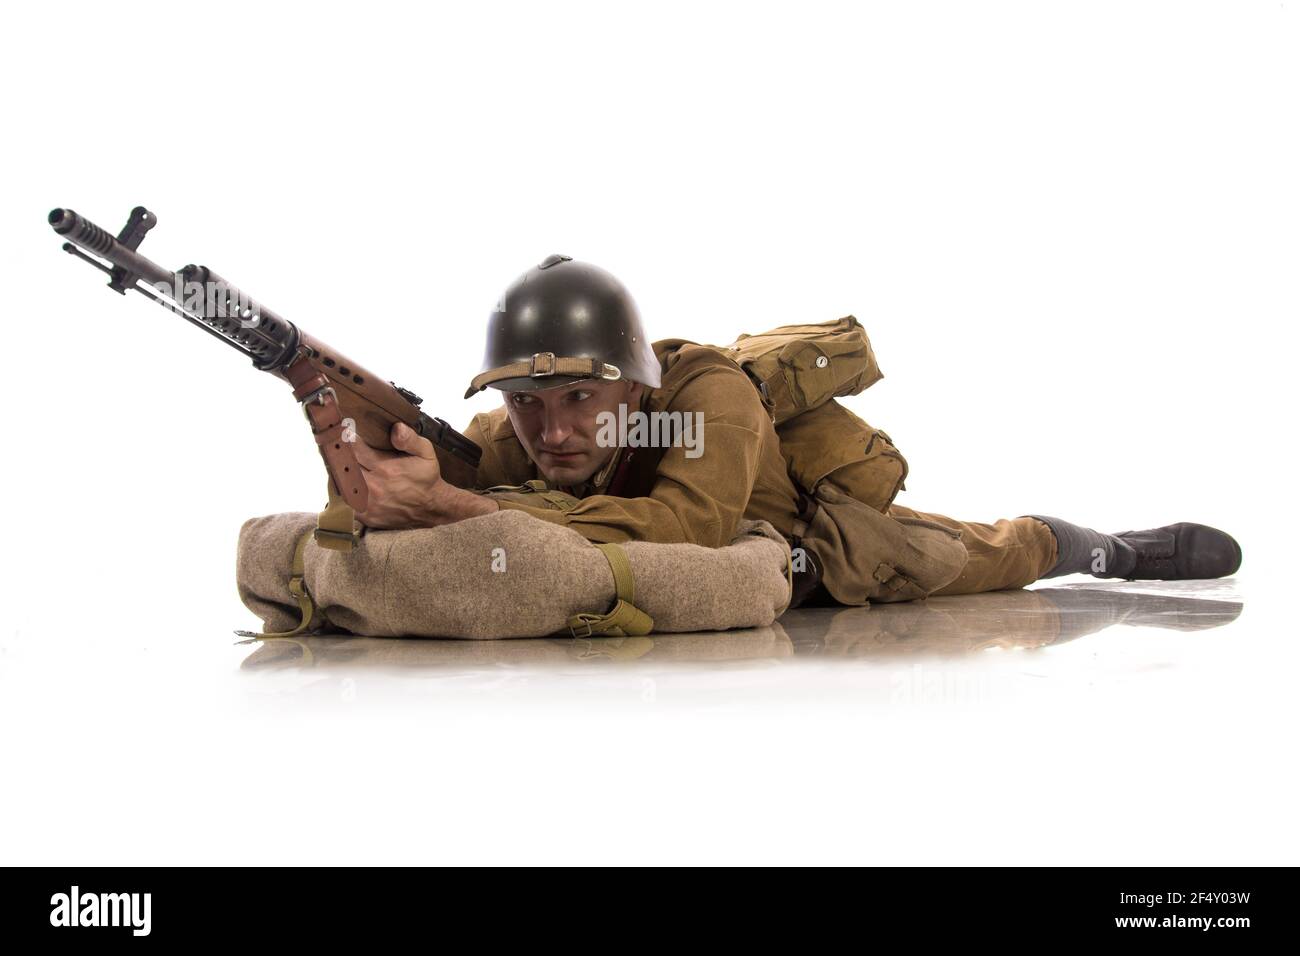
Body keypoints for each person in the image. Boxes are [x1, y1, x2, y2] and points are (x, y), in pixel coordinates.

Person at [349, 254, 1241, 607]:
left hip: (824, 542)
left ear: (630, 384)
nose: (551, 430)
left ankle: (1105, 549)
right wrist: (396, 472)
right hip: (751, 573)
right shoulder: (514, 434)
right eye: (529, 405)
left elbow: (689, 534)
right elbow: (434, 488)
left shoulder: (707, 392)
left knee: (988, 557)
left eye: (580, 400)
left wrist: (459, 514)